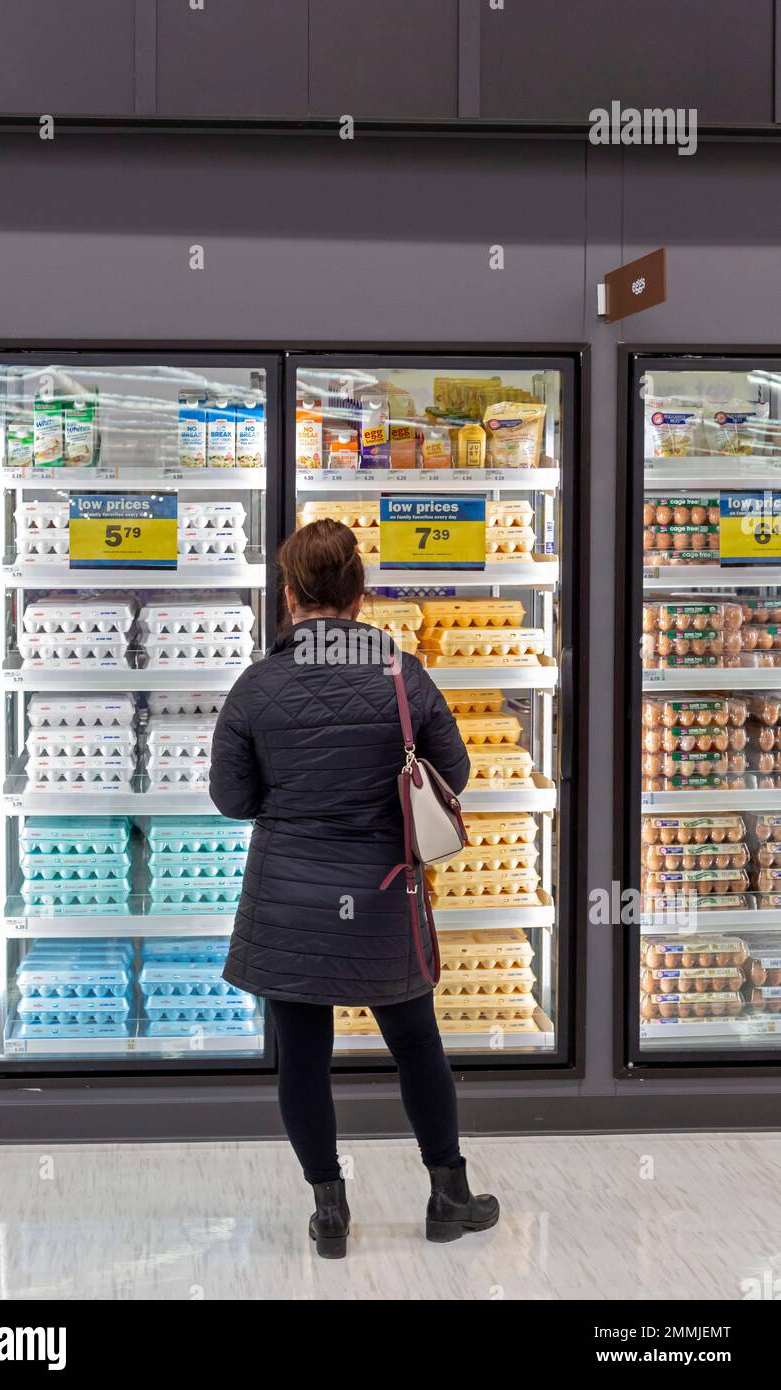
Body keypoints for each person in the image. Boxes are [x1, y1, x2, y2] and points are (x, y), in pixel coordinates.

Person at [209, 518, 500, 1258]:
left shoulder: (256, 684)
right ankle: (448, 1195)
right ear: (360, 596)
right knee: (415, 1043)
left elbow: (232, 800)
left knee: (302, 1054)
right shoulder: (402, 676)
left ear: (289, 594)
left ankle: (330, 1210)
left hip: (291, 898)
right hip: (382, 893)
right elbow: (452, 777)